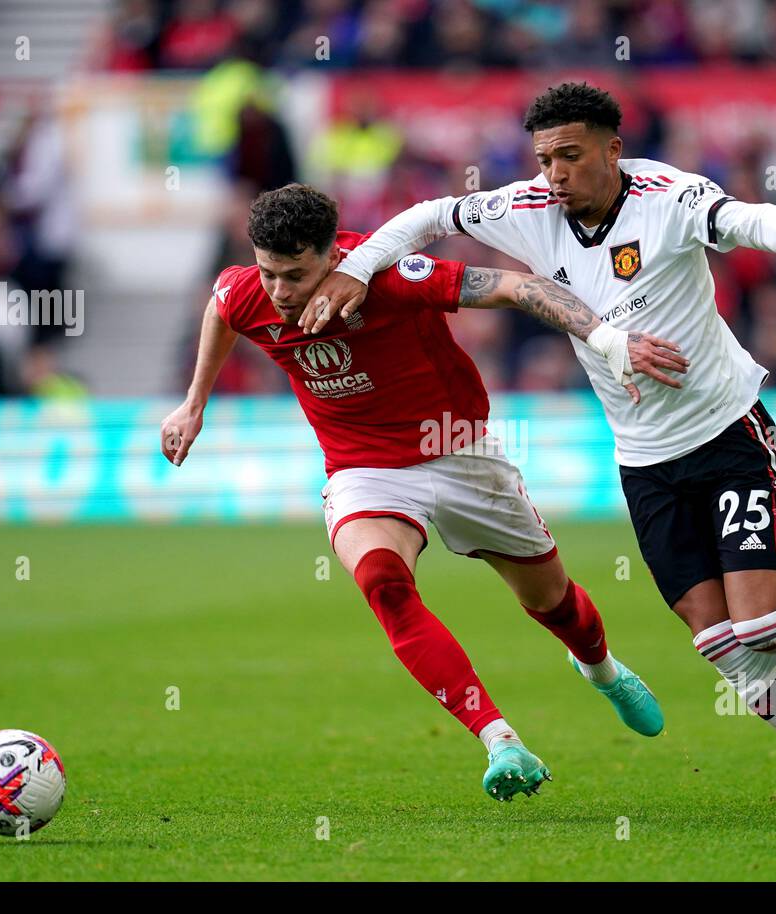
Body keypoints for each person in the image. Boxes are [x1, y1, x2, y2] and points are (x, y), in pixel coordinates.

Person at [300, 83, 776, 820]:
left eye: (570, 156)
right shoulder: (527, 209)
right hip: (645, 460)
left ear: (613, 150)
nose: (553, 174)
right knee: (722, 645)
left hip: (727, 433)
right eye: (544, 158)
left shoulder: (669, 195)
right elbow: (431, 216)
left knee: (764, 627)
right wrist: (358, 269)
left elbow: (742, 219)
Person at [162, 183, 686, 802]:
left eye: (295, 274)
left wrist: (608, 339)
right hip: (363, 468)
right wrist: (194, 404)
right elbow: (222, 309)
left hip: (461, 452)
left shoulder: (392, 278)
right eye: (268, 272)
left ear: (335, 255)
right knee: (384, 582)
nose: (278, 292)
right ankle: (501, 740)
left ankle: (600, 669)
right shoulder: (248, 289)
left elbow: (518, 287)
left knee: (553, 603)